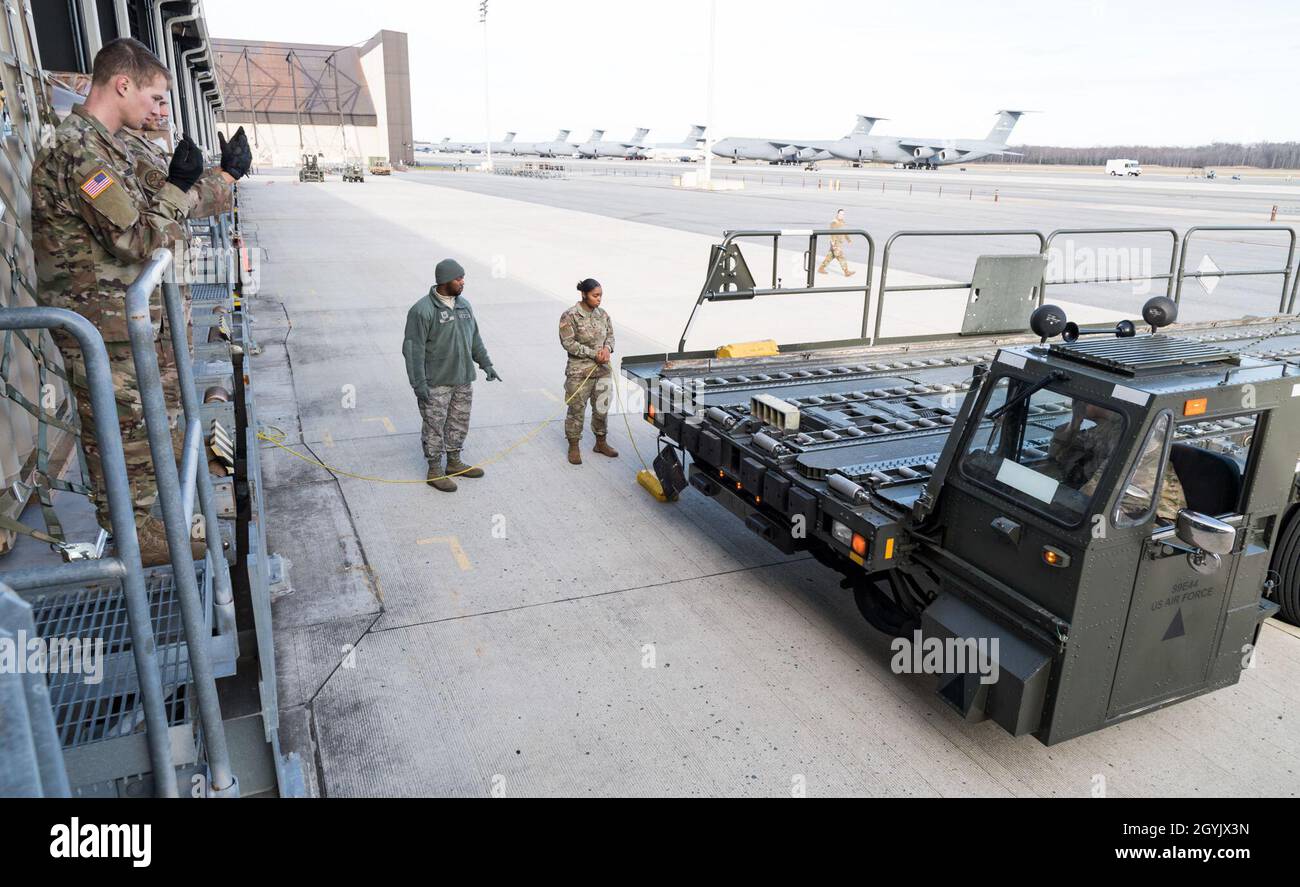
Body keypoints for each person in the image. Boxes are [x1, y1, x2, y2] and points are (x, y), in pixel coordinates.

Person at [30, 37, 250, 566]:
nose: (158, 110)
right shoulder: (80, 153)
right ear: (122, 84)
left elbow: (167, 206)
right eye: (153, 97)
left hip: (123, 317)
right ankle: (136, 535)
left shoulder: (110, 145)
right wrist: (179, 189)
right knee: (118, 430)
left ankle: (151, 518)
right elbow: (142, 238)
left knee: (139, 423)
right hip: (100, 320)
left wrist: (221, 176)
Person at [402, 258, 501, 492]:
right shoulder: (422, 310)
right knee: (434, 425)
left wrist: (486, 363)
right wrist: (418, 384)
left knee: (459, 421)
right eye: (458, 278)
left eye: (463, 277)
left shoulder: (464, 305)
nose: (462, 282)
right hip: (436, 382)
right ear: (445, 280)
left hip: (462, 378)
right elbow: (412, 350)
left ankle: (454, 462)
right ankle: (435, 470)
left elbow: (474, 338)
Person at [558, 279, 618, 465]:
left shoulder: (603, 314)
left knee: (602, 408)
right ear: (584, 294)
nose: (599, 299)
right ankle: (574, 445)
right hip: (579, 373)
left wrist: (607, 349)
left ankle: (600, 442)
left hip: (602, 371)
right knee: (576, 410)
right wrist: (594, 354)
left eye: (600, 295)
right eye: (595, 295)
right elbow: (568, 343)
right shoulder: (570, 316)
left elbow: (610, 336)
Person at [817, 208, 856, 277]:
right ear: (837, 214)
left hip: (839, 243)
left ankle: (821, 268)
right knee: (841, 257)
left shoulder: (842, 222)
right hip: (835, 243)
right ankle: (846, 272)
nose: (842, 215)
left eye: (843, 214)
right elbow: (832, 233)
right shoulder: (834, 222)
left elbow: (844, 232)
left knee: (830, 256)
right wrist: (833, 243)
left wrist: (848, 239)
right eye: (840, 214)